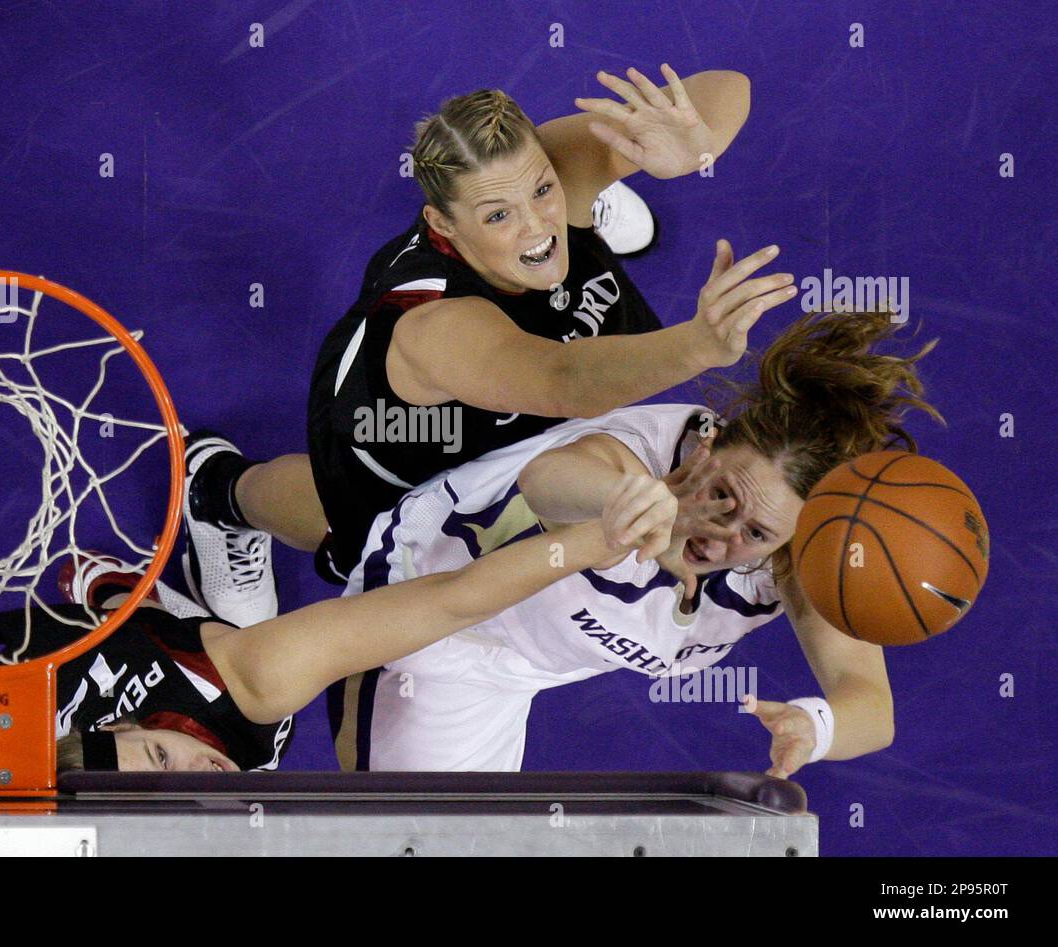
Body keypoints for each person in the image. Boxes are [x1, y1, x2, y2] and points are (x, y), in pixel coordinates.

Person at [179, 65, 799, 626]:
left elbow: (732, 87)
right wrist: (698, 345)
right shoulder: (437, 326)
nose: (535, 226)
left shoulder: (548, 169)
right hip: (413, 434)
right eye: (497, 215)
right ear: (442, 224)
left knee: (577, 190)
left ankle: (593, 192)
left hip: (550, 380)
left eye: (543, 192)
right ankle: (220, 492)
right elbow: (563, 383)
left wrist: (692, 148)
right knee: (359, 536)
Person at [328, 310, 940, 774]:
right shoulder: (637, 458)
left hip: (525, 665)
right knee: (405, 837)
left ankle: (241, 491)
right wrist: (635, 505)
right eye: (723, 495)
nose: (723, 533)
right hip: (435, 614)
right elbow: (547, 482)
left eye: (756, 533)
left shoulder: (798, 559)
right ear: (706, 447)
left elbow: (871, 707)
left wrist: (816, 725)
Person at [0, 479, 675, 771]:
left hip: (125, 660)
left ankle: (215, 499)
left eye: (159, 756)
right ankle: (131, 596)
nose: (196, 770)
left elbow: (448, 600)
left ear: (124, 727)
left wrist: (585, 544)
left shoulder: (258, 682)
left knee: (370, 534)